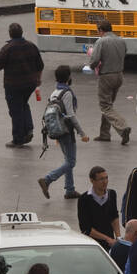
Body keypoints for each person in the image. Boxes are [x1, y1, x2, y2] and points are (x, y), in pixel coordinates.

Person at [0, 22, 45, 148]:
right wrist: (38, 80)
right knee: (24, 105)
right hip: (30, 84)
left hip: (13, 85)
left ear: (10, 34)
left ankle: (18, 139)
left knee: (16, 110)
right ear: (22, 32)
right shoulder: (31, 46)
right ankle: (28, 130)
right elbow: (40, 65)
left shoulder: (8, 48)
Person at [38, 65, 90, 201]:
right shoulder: (66, 93)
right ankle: (47, 179)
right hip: (66, 131)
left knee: (68, 160)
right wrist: (82, 133)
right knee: (71, 162)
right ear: (68, 77)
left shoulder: (54, 92)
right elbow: (71, 115)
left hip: (58, 131)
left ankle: (70, 189)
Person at [90, 19, 131, 145]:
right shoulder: (121, 40)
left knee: (105, 106)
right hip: (119, 75)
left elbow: (95, 60)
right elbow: (125, 53)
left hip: (107, 76)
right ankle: (104, 134)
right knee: (108, 105)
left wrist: (91, 66)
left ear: (101, 30)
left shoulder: (101, 41)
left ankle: (123, 127)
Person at [77, 166, 120, 248]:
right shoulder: (84, 199)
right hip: (92, 244)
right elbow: (86, 229)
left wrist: (118, 237)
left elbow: (114, 216)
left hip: (110, 242)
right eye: (101, 179)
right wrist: (107, 239)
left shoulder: (112, 194)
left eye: (106, 178)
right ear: (92, 181)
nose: (105, 182)